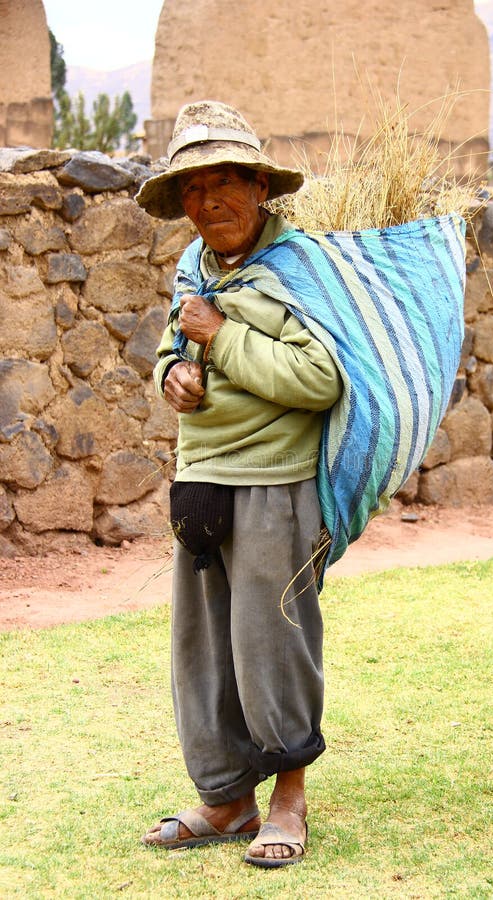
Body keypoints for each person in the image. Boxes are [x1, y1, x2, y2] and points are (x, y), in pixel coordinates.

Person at [135, 100, 341, 868]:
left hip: (275, 484)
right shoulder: (193, 268)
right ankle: (226, 797)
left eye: (224, 182)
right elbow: (168, 350)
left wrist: (221, 336)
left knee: (271, 642)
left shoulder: (301, 271)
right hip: (200, 483)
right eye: (192, 189)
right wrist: (175, 375)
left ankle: (288, 796)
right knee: (202, 649)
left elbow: (319, 378)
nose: (207, 202)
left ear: (260, 187)